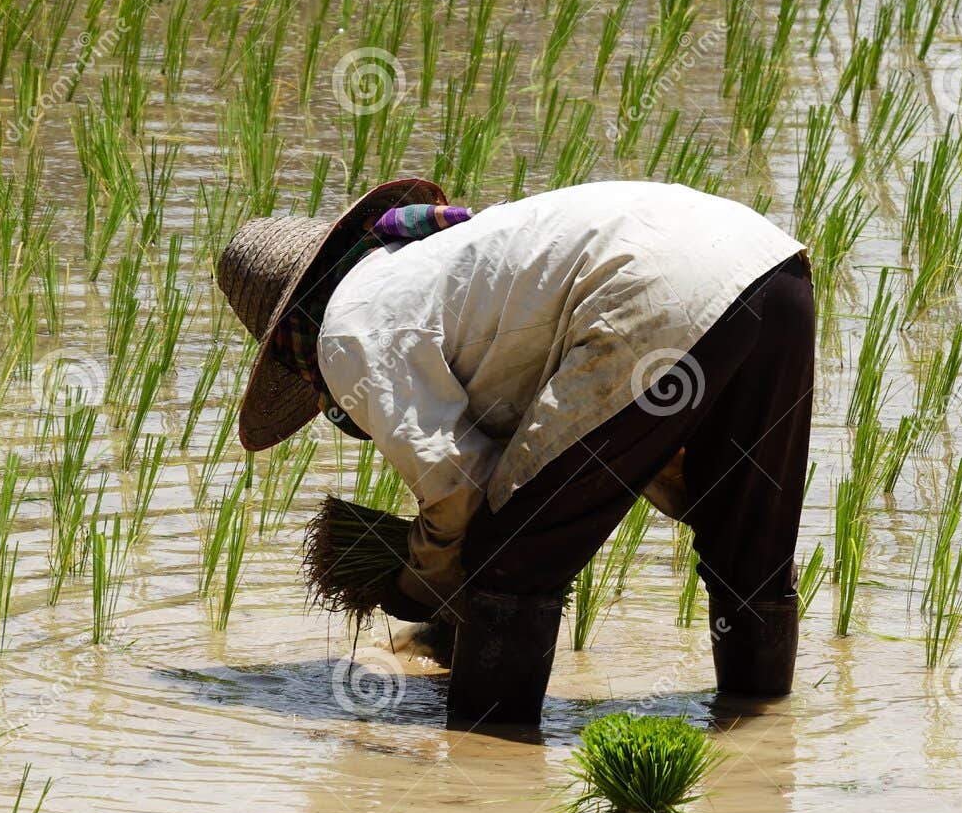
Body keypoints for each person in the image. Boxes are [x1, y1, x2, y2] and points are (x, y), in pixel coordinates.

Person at [217, 178, 813, 725]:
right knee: (748, 538)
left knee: (511, 559)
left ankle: (484, 766)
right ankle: (763, 742)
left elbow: (456, 483)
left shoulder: (350, 326)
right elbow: (576, 438)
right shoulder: (424, 263)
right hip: (774, 267)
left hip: (656, 290)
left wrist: (419, 588)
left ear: (290, 332)